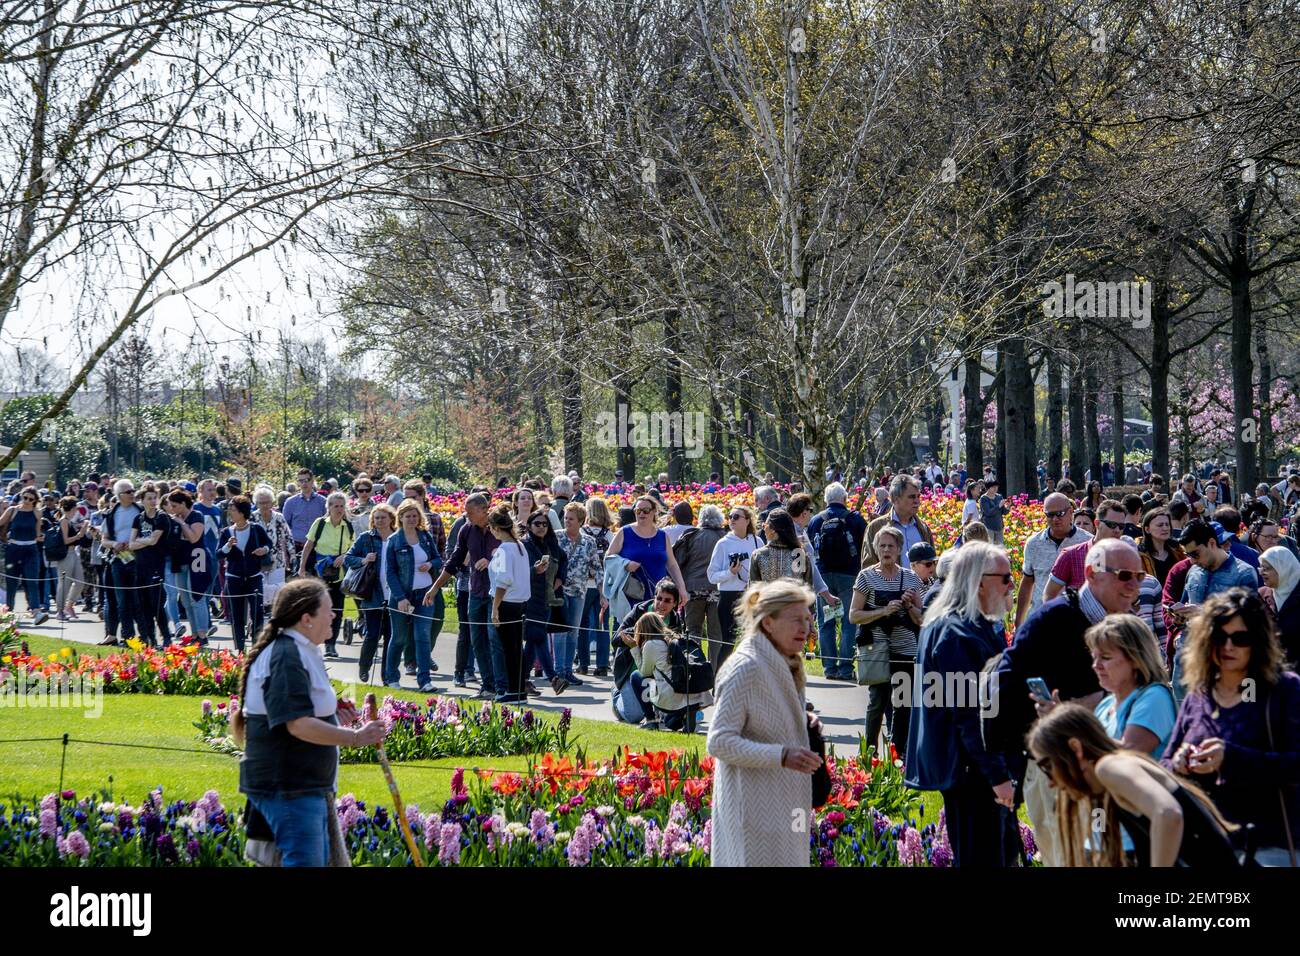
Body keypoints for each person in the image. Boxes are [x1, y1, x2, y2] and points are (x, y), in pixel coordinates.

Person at [992, 538, 1144, 866]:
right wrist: (1055, 718)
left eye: (1140, 577)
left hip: (1108, 770)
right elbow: (1007, 683)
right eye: (1124, 575)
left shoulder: (1129, 626)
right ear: (1091, 573)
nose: (1133, 585)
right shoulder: (1055, 618)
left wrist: (1098, 701)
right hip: (1057, 770)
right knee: (1067, 858)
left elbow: (1146, 686)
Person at [232, 578, 388, 867]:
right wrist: (355, 738)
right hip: (289, 786)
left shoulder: (302, 649)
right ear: (306, 619)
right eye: (328, 610)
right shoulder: (285, 655)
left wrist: (332, 716)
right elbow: (297, 725)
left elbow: (302, 713)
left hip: (302, 785)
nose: (334, 615)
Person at [1162, 588, 1300, 864]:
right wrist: (1179, 764)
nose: (1227, 647)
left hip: (1270, 848)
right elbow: (1165, 764)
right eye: (1218, 637)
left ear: (1258, 641)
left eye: (1240, 638)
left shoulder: (1284, 690)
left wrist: (1231, 757)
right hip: (1207, 847)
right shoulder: (1198, 695)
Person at [905, 542, 1017, 866]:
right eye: (1006, 578)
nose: (1012, 585)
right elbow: (971, 716)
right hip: (969, 769)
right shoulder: (956, 633)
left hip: (971, 766)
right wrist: (997, 775)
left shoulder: (973, 624)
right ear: (978, 581)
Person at [1028, 705, 1239, 867]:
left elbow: (1168, 814)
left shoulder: (1110, 767)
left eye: (1047, 766)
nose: (1050, 781)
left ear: (1076, 748)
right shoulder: (1112, 771)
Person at [707, 578, 823, 867]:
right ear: (768, 623)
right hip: (754, 812)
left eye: (807, 619)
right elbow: (719, 741)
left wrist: (802, 720)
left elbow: (767, 717)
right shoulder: (745, 667)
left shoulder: (786, 661)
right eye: (796, 619)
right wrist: (781, 755)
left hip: (786, 808)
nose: (804, 628)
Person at [851, 524, 924, 756]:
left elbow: (922, 620)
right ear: (875, 549)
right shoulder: (866, 576)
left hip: (906, 648)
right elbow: (854, 615)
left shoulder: (911, 578)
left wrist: (909, 605)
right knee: (878, 702)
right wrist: (883, 611)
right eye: (881, 545)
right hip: (877, 648)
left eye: (891, 546)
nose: (886, 550)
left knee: (903, 704)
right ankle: (869, 754)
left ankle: (899, 753)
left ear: (900, 549)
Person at [431, 493, 502, 700]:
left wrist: (491, 559)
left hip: (496, 592)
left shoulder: (498, 528)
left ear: (483, 509)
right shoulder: (466, 529)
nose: (466, 515)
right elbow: (454, 560)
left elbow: (512, 549)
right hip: (475, 591)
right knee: (476, 638)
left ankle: (501, 685)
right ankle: (487, 686)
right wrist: (435, 587)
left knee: (494, 637)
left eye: (470, 512)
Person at [1087, 615, 1177, 756]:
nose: (1095, 666)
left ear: (1136, 659)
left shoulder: (1154, 698)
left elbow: (1128, 757)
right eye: (1094, 657)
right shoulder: (1105, 705)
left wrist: (1074, 727)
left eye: (1105, 657)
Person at [807, 482, 868, 681]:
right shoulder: (855, 519)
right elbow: (865, 547)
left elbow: (808, 550)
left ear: (826, 500)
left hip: (823, 577)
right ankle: (845, 668)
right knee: (850, 622)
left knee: (826, 622)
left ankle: (829, 667)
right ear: (844, 499)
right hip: (849, 576)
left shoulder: (816, 520)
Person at [383, 499, 441, 692]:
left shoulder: (424, 536)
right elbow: (390, 572)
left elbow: (438, 558)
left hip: (425, 595)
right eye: (408, 516)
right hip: (402, 596)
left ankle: (424, 680)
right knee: (398, 637)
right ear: (400, 517)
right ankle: (392, 677)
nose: (411, 519)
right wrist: (400, 597)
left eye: (415, 515)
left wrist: (431, 564)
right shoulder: (394, 540)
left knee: (422, 637)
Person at [1015, 491, 1091, 629]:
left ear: (1070, 512)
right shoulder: (1033, 544)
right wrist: (1019, 622)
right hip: (1043, 618)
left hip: (1078, 620)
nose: (1055, 519)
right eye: (1050, 515)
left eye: (1060, 514)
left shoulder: (1087, 542)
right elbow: (1027, 582)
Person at [611, 581, 685, 723]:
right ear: (654, 597)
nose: (661, 604)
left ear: (675, 603)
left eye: (667, 600)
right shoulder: (639, 611)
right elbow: (615, 640)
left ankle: (654, 705)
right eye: (659, 598)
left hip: (658, 675)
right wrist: (645, 627)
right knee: (633, 716)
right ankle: (616, 694)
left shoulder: (675, 620)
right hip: (631, 671)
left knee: (669, 716)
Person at [628, 611, 712, 731]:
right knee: (670, 724)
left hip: (671, 692)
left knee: (636, 676)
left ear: (643, 629)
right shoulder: (675, 637)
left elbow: (645, 672)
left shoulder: (651, 644)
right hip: (690, 688)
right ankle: (684, 714)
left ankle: (651, 720)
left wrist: (634, 648)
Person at [343, 503, 396, 685]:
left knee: (391, 636)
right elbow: (349, 558)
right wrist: (364, 560)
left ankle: (387, 676)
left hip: (394, 595)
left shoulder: (398, 538)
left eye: (383, 517)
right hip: (372, 592)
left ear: (391, 519)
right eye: (376, 517)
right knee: (373, 634)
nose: (379, 521)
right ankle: (364, 667)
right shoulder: (366, 538)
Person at [705, 505, 761, 674]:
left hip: (752, 595)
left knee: (752, 639)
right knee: (728, 641)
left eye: (737, 517)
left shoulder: (757, 542)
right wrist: (730, 572)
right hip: (728, 595)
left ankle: (750, 678)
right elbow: (711, 576)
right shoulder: (723, 544)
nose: (732, 520)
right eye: (730, 516)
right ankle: (720, 679)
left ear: (747, 520)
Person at [299, 492, 355, 660]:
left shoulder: (348, 526)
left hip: (339, 573)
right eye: (335, 506)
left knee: (337, 607)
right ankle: (313, 639)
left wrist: (343, 556)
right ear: (329, 507)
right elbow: (308, 546)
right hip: (320, 570)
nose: (339, 509)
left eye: (341, 506)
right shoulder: (320, 523)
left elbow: (353, 548)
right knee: (318, 606)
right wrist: (302, 567)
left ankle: (331, 644)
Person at [607, 494, 687, 609]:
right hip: (631, 594)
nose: (641, 514)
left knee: (658, 626)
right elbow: (609, 557)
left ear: (654, 511)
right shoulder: (624, 532)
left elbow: (672, 564)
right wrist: (625, 564)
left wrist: (681, 588)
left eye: (646, 510)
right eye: (638, 510)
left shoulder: (662, 536)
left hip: (659, 597)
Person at [485, 504, 531, 703]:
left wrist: (495, 607)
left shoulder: (504, 549)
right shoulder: (520, 546)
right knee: (515, 649)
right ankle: (519, 689)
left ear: (496, 528)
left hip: (507, 603)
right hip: (520, 602)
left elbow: (503, 581)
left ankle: (514, 690)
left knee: (508, 650)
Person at [218, 496, 272, 653]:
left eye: (233, 510)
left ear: (242, 512)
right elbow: (218, 554)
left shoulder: (256, 529)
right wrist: (228, 546)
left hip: (254, 577)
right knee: (237, 616)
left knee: (257, 613)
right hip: (234, 578)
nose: (230, 513)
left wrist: (264, 550)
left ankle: (256, 648)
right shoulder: (226, 532)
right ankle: (240, 650)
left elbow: (268, 543)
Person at [1043, 499, 1124, 602]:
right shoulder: (1071, 555)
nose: (1117, 530)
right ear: (1097, 523)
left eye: (1121, 526)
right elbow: (1049, 595)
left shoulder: (1126, 558)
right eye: (1111, 525)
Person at [672, 502, 725, 660]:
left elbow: (678, 561)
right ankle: (715, 672)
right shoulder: (725, 537)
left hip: (693, 589)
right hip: (717, 589)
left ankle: (695, 667)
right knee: (716, 634)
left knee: (693, 630)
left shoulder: (692, 535)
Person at [555, 502, 598, 686]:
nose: (567, 521)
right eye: (565, 518)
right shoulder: (557, 538)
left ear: (580, 521)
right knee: (560, 631)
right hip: (560, 590)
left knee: (574, 632)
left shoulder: (589, 541)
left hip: (579, 591)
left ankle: (567, 670)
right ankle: (558, 672)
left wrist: (603, 592)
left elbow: (596, 567)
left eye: (571, 519)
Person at [163, 489, 212, 644]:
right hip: (180, 561)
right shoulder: (174, 518)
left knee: (196, 597)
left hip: (198, 558)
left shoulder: (196, 515)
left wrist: (181, 523)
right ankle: (195, 633)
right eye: (170, 506)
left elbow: (193, 538)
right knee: (185, 600)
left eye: (175, 506)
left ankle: (203, 634)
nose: (172, 509)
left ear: (184, 504)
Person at [126, 486, 172, 646]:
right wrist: (142, 541)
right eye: (149, 498)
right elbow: (131, 544)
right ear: (143, 500)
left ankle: (166, 636)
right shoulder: (138, 519)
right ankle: (149, 637)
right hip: (141, 566)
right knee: (143, 604)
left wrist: (140, 540)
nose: (153, 501)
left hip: (156, 566)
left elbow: (154, 540)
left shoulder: (162, 517)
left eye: (155, 497)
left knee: (157, 603)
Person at [98, 480, 142, 646]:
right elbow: (104, 540)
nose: (132, 494)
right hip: (118, 559)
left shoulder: (140, 511)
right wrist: (114, 544)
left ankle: (145, 635)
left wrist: (135, 544)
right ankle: (127, 636)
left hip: (137, 558)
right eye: (128, 492)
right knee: (121, 600)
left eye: (133, 491)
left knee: (137, 600)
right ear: (119, 495)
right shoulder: (111, 513)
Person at [861, 475, 934, 569]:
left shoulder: (923, 528)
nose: (917, 501)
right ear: (895, 499)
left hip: (921, 584)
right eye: (912, 497)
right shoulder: (876, 527)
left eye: (918, 496)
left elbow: (932, 564)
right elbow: (868, 567)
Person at [577, 497, 615, 677]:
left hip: (584, 584)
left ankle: (583, 663)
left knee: (582, 624)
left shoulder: (581, 532)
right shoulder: (609, 535)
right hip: (603, 585)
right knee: (602, 625)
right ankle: (602, 664)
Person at [251, 485, 294, 610]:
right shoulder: (253, 517)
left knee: (277, 592)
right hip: (257, 560)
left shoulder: (278, 517)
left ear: (272, 502)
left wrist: (292, 556)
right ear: (256, 503)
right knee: (259, 591)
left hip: (277, 560)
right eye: (261, 503)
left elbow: (288, 536)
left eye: (267, 502)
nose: (264, 505)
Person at [1260, 546, 1300, 665]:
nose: (1262, 572)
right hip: (1269, 671)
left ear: (1283, 568)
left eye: (1266, 568)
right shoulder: (1260, 595)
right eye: (1261, 567)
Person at [52, 496, 89, 622]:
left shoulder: (69, 521)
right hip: (66, 554)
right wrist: (79, 534)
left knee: (80, 581)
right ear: (72, 508)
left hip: (74, 553)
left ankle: (69, 605)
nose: (77, 511)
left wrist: (81, 531)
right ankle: (60, 610)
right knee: (64, 583)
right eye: (76, 509)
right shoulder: (64, 521)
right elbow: (65, 540)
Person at [282, 469, 328, 571]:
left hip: (317, 549)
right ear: (298, 483)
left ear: (312, 481)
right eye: (301, 481)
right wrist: (285, 553)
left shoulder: (323, 501)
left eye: (307, 480)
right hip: (297, 547)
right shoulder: (290, 502)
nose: (304, 483)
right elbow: (284, 529)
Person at [1137, 507, 1184, 590]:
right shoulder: (1139, 555)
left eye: (1167, 524)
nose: (1165, 528)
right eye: (1160, 525)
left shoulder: (1178, 551)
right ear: (1147, 529)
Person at [977, 478, 1008, 546]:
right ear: (988, 488)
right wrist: (998, 506)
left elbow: (1003, 512)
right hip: (989, 527)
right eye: (993, 487)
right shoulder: (983, 498)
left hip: (999, 526)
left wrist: (1007, 507)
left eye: (996, 486)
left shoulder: (999, 496)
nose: (995, 488)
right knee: (989, 547)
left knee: (999, 548)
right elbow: (988, 513)